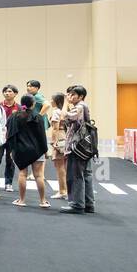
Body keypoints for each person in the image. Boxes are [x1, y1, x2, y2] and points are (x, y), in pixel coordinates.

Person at [8, 94, 50, 208]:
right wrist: (45, 151)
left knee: (22, 174)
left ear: (22, 103)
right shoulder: (38, 117)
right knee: (39, 176)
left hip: (21, 149)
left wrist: (12, 149)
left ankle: (21, 200)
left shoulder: (14, 116)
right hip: (37, 150)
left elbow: (10, 134)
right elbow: (42, 136)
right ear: (34, 104)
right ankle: (43, 201)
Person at [62, 85, 95, 215]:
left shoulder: (80, 106)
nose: (70, 96)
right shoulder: (82, 106)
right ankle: (88, 204)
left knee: (75, 175)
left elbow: (66, 117)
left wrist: (65, 102)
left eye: (73, 94)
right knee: (86, 175)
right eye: (69, 94)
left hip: (77, 147)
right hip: (85, 147)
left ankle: (77, 204)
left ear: (80, 96)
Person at [0, 85, 20, 191]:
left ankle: (8, 183)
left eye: (10, 91)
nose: (7, 93)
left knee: (10, 161)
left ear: (15, 94)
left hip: (12, 138)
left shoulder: (19, 108)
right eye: (5, 92)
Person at [45, 92, 69, 199]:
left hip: (59, 138)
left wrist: (54, 143)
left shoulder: (56, 112)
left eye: (52, 99)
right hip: (67, 137)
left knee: (60, 167)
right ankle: (67, 190)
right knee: (65, 166)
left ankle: (62, 191)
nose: (50, 101)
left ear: (57, 101)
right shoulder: (66, 112)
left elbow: (55, 128)